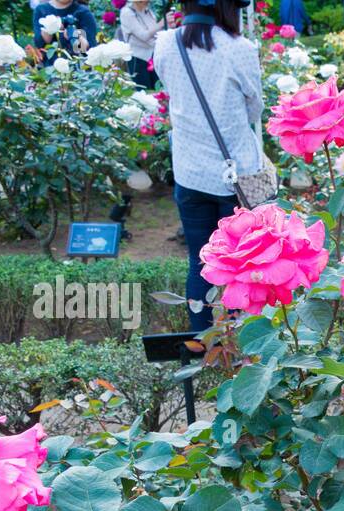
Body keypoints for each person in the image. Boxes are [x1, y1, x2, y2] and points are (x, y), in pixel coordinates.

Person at [154, 0, 262, 331]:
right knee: (244, 264)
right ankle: (241, 342)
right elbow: (254, 106)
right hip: (239, 176)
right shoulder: (239, 48)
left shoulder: (165, 44)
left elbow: (171, 90)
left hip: (190, 172)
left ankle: (203, 343)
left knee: (200, 261)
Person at [33, 0, 98, 59]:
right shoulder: (41, 10)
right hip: (51, 66)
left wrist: (74, 35)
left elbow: (89, 49)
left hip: (77, 66)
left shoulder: (83, 12)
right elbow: (40, 44)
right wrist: (52, 25)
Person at [121, 0, 163, 88]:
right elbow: (143, 35)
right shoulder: (127, 13)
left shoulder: (147, 11)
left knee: (157, 88)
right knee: (144, 93)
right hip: (138, 58)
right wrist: (161, 23)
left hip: (153, 56)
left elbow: (155, 33)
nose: (147, 2)